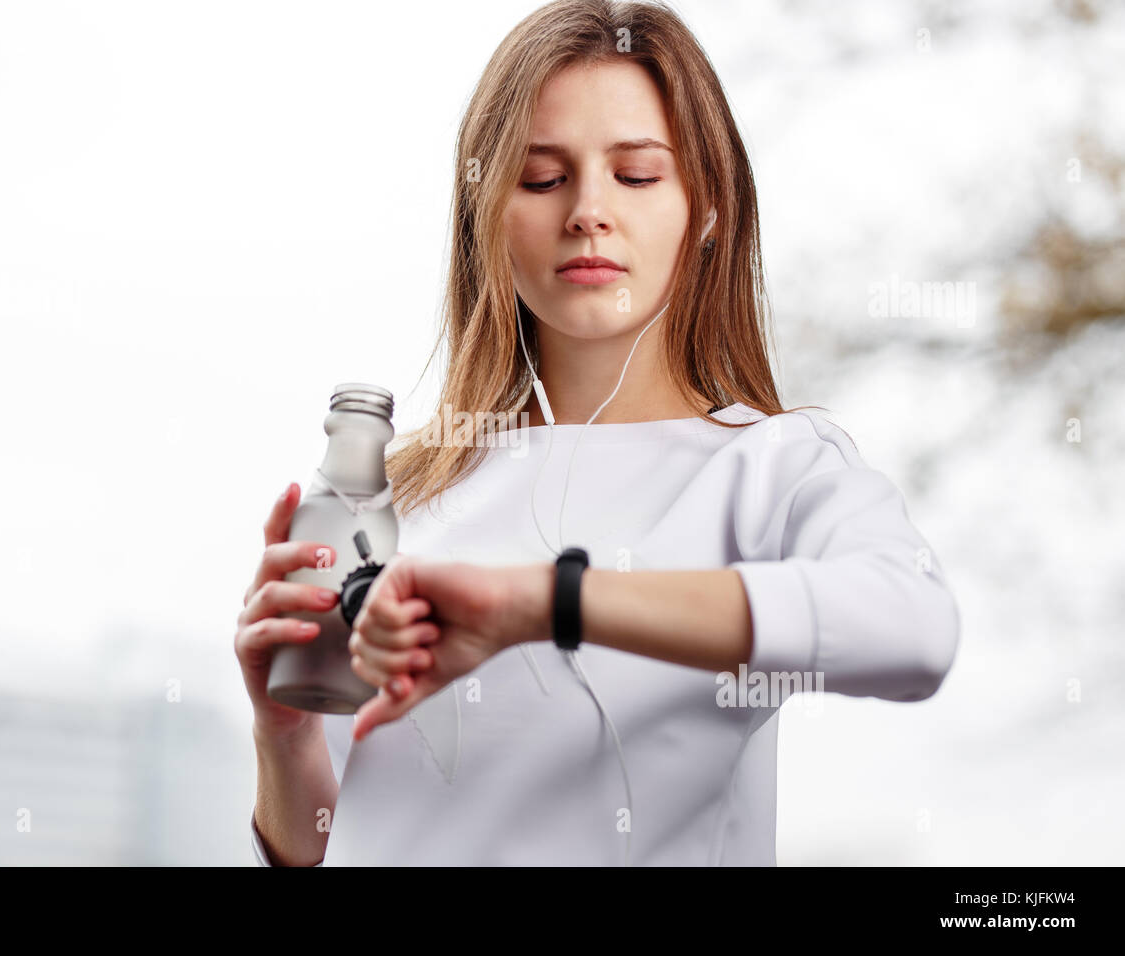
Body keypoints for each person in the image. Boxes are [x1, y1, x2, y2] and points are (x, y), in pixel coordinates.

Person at [235, 0, 960, 866]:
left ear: (711, 208)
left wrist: (548, 604)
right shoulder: (391, 497)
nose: (587, 211)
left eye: (638, 175)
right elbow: (339, 841)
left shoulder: (770, 468)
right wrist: (284, 736)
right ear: (485, 214)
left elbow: (914, 630)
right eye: (541, 178)